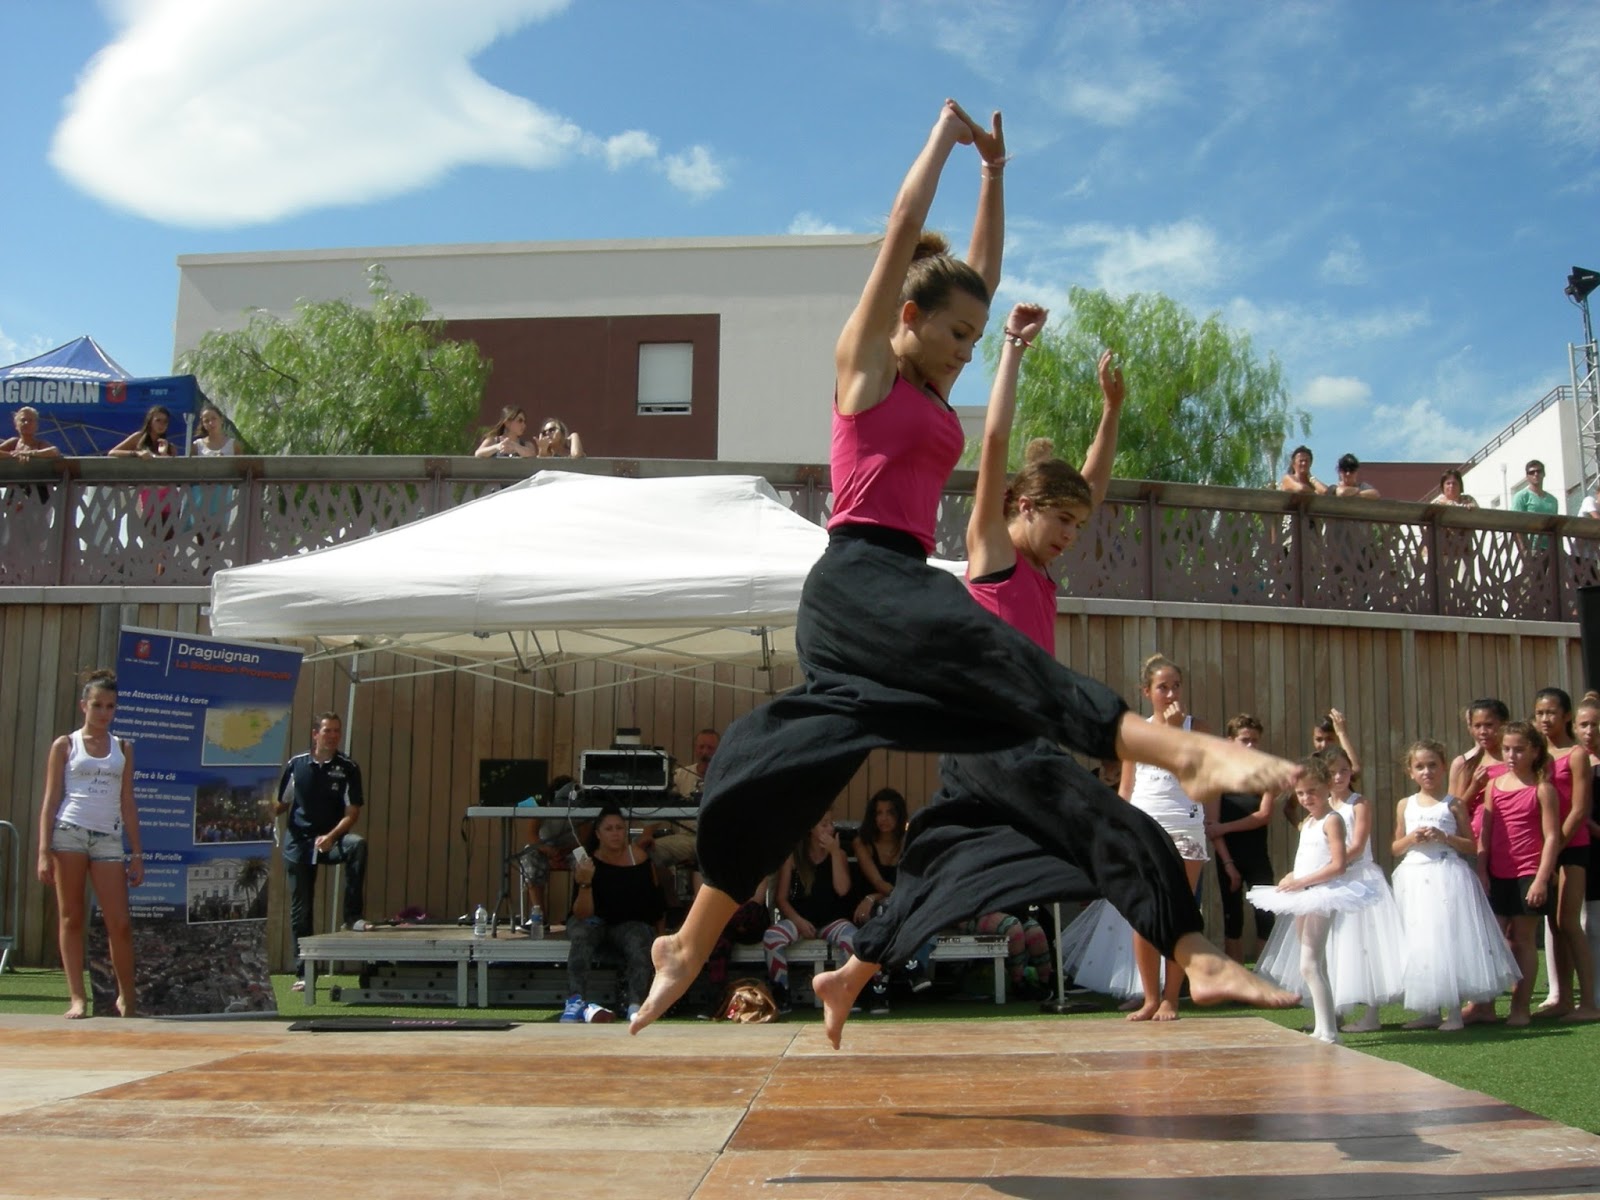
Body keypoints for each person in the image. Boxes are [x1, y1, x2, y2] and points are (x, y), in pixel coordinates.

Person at [630, 100, 1294, 1035]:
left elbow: (977, 273)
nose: (963, 356)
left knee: (809, 764)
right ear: (905, 318)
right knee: (941, 677)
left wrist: (996, 171)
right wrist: (946, 138)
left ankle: (691, 943)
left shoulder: (939, 387)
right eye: (954, 338)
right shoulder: (863, 372)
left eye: (977, 345)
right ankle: (1174, 749)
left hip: (894, 590)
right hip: (859, 579)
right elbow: (902, 230)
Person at [810, 305, 1291, 1044]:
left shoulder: (1039, 571)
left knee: (938, 868)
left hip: (986, 751)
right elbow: (996, 441)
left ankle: (849, 974)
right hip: (999, 742)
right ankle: (1197, 956)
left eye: (1078, 525)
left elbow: (1092, 480)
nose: (1070, 538)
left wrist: (1112, 409)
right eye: (1060, 522)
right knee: (1126, 830)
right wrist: (1008, 352)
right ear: (1022, 508)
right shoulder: (994, 554)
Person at [1390, 740, 1520, 1031]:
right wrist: (1413, 838)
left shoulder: (1453, 803)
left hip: (1446, 875)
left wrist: (1442, 836)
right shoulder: (1404, 805)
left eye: (1433, 765)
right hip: (1413, 877)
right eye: (1420, 767)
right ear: (1410, 772)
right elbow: (1395, 847)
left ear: (1444, 766)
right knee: (1421, 941)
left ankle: (1455, 1012)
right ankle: (1429, 1009)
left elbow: (1471, 846)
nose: (1427, 772)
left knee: (1447, 939)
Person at [35, 670, 144, 1018]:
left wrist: (137, 853)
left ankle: (126, 997)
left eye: (110, 706)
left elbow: (128, 801)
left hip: (108, 837)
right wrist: (43, 850)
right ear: (84, 705)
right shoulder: (65, 745)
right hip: (69, 832)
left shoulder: (123, 747)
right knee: (71, 917)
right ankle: (77, 998)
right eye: (97, 705)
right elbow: (51, 800)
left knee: (119, 921)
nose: (103, 713)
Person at [1249, 756, 1373, 1044]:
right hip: (1304, 895)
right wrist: (1290, 876)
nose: (1306, 798)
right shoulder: (1307, 823)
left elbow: (1338, 865)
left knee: (1308, 964)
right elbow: (1309, 860)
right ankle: (1323, 1025)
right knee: (1317, 964)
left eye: (1312, 791)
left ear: (1327, 787)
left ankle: (1330, 1032)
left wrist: (1300, 882)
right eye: (1301, 793)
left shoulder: (1333, 820)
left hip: (1321, 895)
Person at [275, 712, 368, 991]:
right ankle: (304, 973)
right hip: (298, 844)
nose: (333, 736)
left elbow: (353, 812)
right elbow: (281, 803)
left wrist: (331, 836)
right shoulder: (297, 765)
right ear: (315, 734)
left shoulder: (348, 767)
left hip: (332, 840)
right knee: (301, 911)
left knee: (358, 845)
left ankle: (352, 918)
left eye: (337, 731)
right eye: (328, 731)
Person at [1478, 721, 1562, 1027]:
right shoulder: (1493, 785)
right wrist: (1482, 869)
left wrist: (1542, 878)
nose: (1511, 755)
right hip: (1498, 873)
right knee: (1493, 938)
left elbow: (1551, 836)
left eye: (1519, 749)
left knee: (1523, 939)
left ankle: (1520, 1007)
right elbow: (1485, 833)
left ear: (1535, 751)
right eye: (1507, 749)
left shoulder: (1543, 789)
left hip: (1529, 872)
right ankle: (1484, 1005)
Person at [1323, 745, 1406, 1033]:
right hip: (1332, 880)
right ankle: (1332, 1012)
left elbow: (1357, 845)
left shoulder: (1358, 804)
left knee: (1369, 946)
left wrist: (1329, 864)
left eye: (1344, 771)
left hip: (1360, 880)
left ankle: (1372, 1014)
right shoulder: (1322, 806)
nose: (1339, 776)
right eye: (1332, 772)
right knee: (1333, 945)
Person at [1528, 687, 1598, 1020]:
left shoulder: (1576, 754)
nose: (1545, 718)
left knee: (1569, 921)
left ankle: (1589, 1004)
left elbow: (1581, 807)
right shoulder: (1537, 756)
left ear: (1567, 716)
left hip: (1573, 847)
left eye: (1552, 712)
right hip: (1546, 850)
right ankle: (1563, 999)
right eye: (1540, 713)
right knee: (1553, 925)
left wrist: (1556, 848)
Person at [562, 805, 664, 1023]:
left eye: (619, 828)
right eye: (609, 829)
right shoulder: (587, 862)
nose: (616, 833)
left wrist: (661, 935)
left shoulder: (640, 858)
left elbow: (656, 902)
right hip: (594, 919)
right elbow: (580, 912)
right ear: (598, 834)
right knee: (582, 933)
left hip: (628, 922)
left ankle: (636, 1004)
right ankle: (575, 999)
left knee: (640, 937)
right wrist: (585, 883)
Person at [763, 809, 859, 1012]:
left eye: (831, 824)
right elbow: (781, 898)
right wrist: (797, 921)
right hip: (800, 919)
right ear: (810, 830)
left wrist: (834, 853)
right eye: (824, 824)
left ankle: (843, 993)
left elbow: (842, 890)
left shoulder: (838, 854)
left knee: (852, 938)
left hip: (831, 920)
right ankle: (781, 991)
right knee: (772, 937)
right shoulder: (794, 856)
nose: (830, 829)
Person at [1209, 715, 1278, 963]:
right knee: (1232, 915)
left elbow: (1264, 815)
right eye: (1245, 740)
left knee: (1265, 912)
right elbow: (1211, 825)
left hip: (1257, 855)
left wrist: (1225, 828)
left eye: (1255, 741)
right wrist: (1227, 863)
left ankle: (1265, 970)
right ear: (1231, 741)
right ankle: (1236, 973)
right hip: (1228, 857)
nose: (1251, 746)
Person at [1575, 692, 1600, 1002]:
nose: (1590, 731)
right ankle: (1591, 991)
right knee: (1588, 922)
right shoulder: (1575, 761)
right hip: (1584, 848)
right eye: (1584, 725)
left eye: (1595, 724)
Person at [1512, 459, 1559, 560]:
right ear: (1527, 476)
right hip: (1532, 549)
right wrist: (1523, 551)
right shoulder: (1521, 497)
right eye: (1531, 472)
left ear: (1544, 473)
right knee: (1533, 576)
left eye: (1539, 471)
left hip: (1552, 549)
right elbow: (1515, 525)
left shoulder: (1553, 500)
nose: (1536, 474)